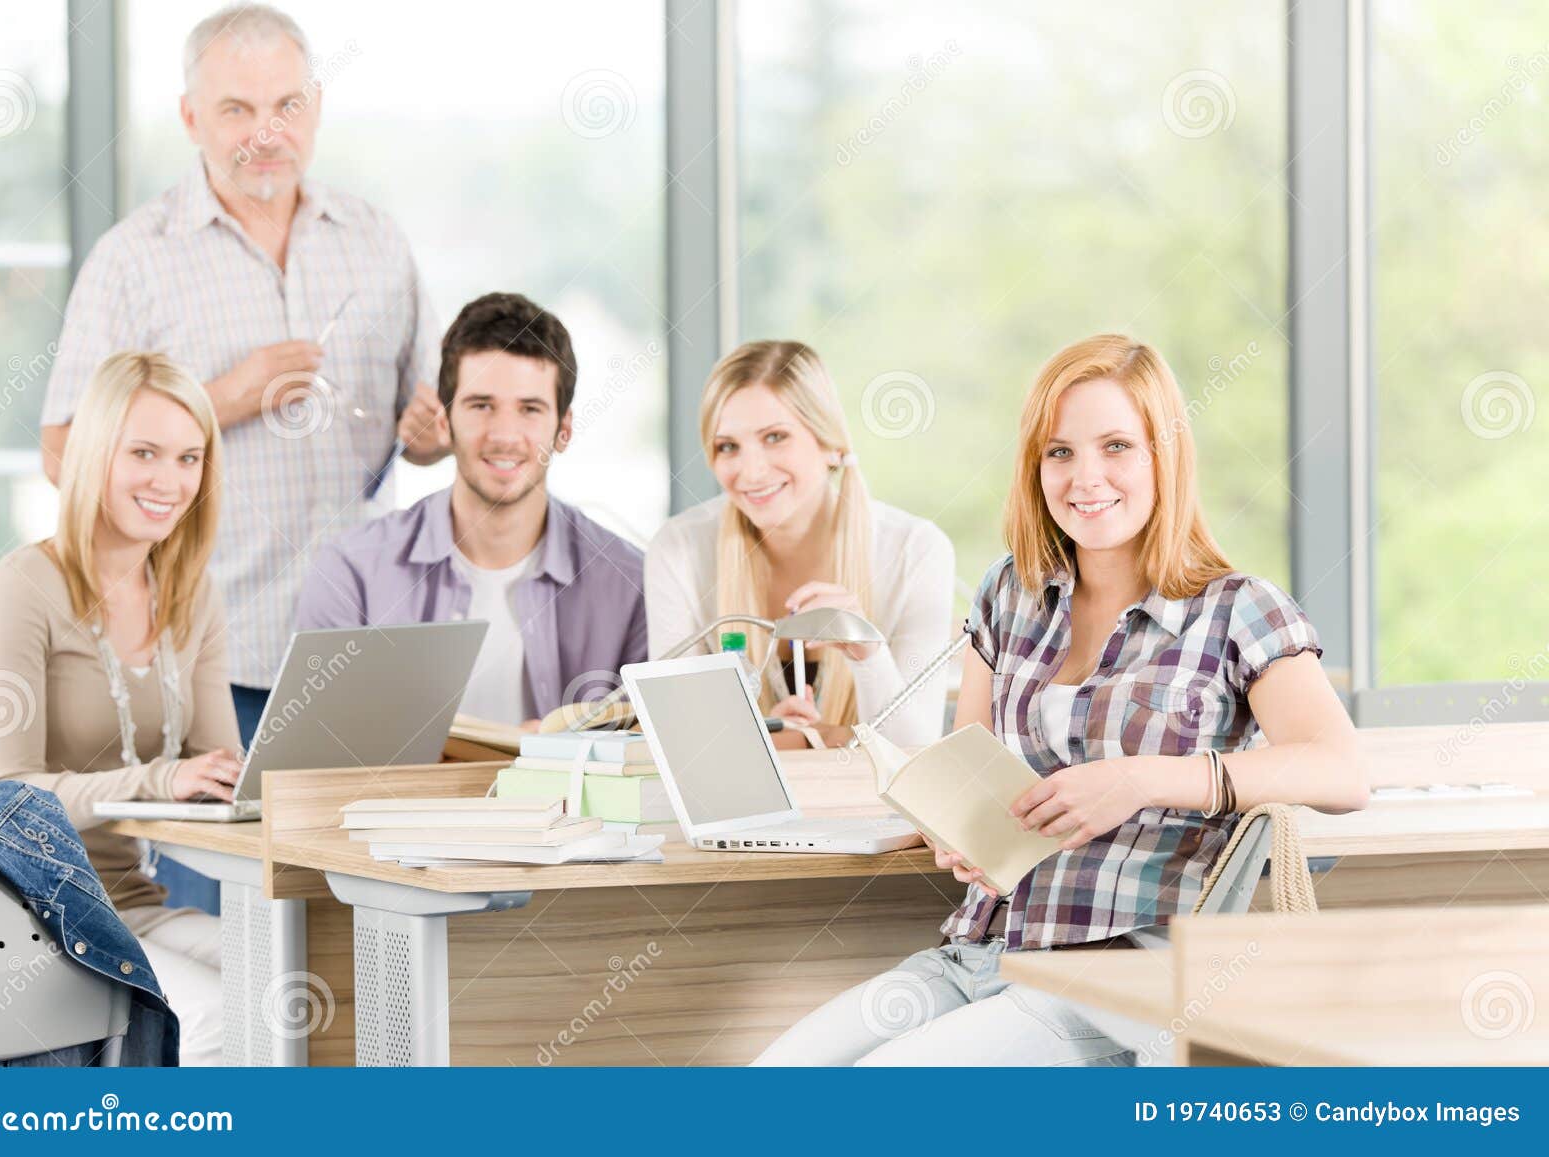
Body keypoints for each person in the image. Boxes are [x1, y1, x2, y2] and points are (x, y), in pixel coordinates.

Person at [753, 334, 1368, 1066]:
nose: (1086, 477)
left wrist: (1138, 780)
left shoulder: (1238, 609)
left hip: (1117, 982)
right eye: (1060, 452)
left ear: (1163, 456)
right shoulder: (1010, 596)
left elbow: (1341, 771)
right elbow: (968, 767)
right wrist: (961, 833)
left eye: (1116, 446)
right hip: (986, 951)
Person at [38, 3, 447, 748]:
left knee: (353, 869)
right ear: (191, 117)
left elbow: (422, 428)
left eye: (287, 105)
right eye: (237, 109)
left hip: (360, 648)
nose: (267, 133)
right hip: (200, 658)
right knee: (195, 870)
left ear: (316, 107)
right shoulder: (134, 259)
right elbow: (63, 452)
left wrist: (432, 436)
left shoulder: (377, 240)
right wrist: (217, 401)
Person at [0, 352, 245, 1067]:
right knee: (215, 1015)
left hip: (134, 902)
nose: (170, 480)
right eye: (144, 453)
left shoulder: (192, 593)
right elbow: (3, 803)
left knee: (301, 978)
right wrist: (157, 778)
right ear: (95, 455)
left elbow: (217, 772)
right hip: (31, 913)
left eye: (189, 458)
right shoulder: (24, 586)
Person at [296, 292, 646, 727]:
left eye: (530, 409)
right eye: (481, 406)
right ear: (443, 422)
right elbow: (317, 761)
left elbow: (649, 765)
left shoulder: (630, 584)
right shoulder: (352, 572)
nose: (504, 434)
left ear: (564, 430)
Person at [645, 340, 954, 749]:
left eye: (775, 437)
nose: (751, 471)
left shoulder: (915, 551)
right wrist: (821, 738)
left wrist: (868, 657)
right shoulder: (680, 550)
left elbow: (915, 750)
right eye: (728, 447)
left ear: (830, 444)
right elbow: (679, 744)